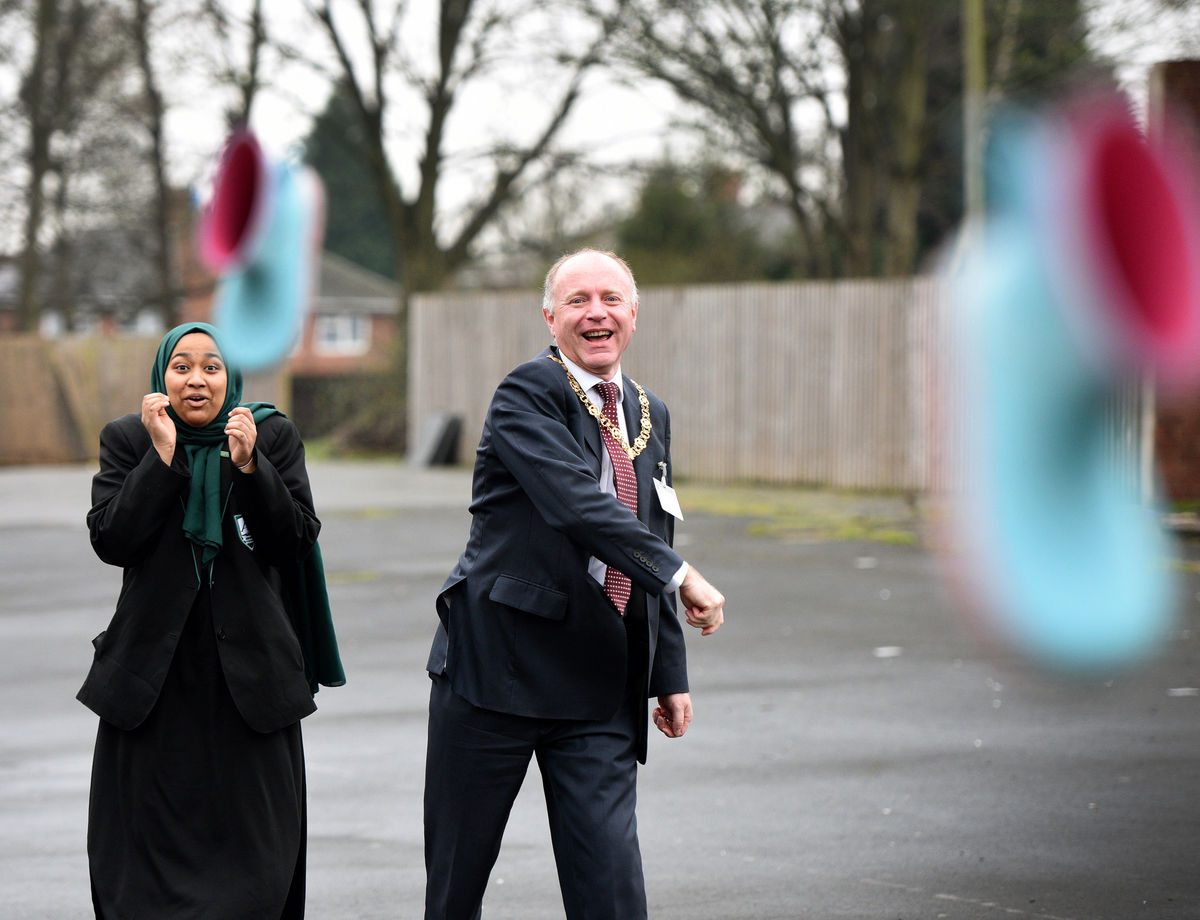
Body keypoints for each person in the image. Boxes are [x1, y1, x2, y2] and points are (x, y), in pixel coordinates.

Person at [423, 249, 726, 920]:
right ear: (551, 316)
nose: (597, 313)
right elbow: (574, 506)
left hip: (597, 681)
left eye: (612, 299)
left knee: (612, 887)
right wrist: (682, 578)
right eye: (580, 300)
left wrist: (666, 671)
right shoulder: (526, 394)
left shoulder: (651, 413)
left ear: (634, 316)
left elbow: (653, 531)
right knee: (456, 884)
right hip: (495, 672)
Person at [78, 321, 344, 919]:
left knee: (259, 861)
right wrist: (162, 457)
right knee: (137, 861)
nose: (196, 379)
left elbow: (294, 541)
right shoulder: (129, 438)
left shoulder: (270, 435)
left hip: (250, 682)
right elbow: (113, 540)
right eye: (182, 366)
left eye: (212, 366)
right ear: (161, 377)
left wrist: (252, 469)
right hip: (151, 681)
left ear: (232, 378)